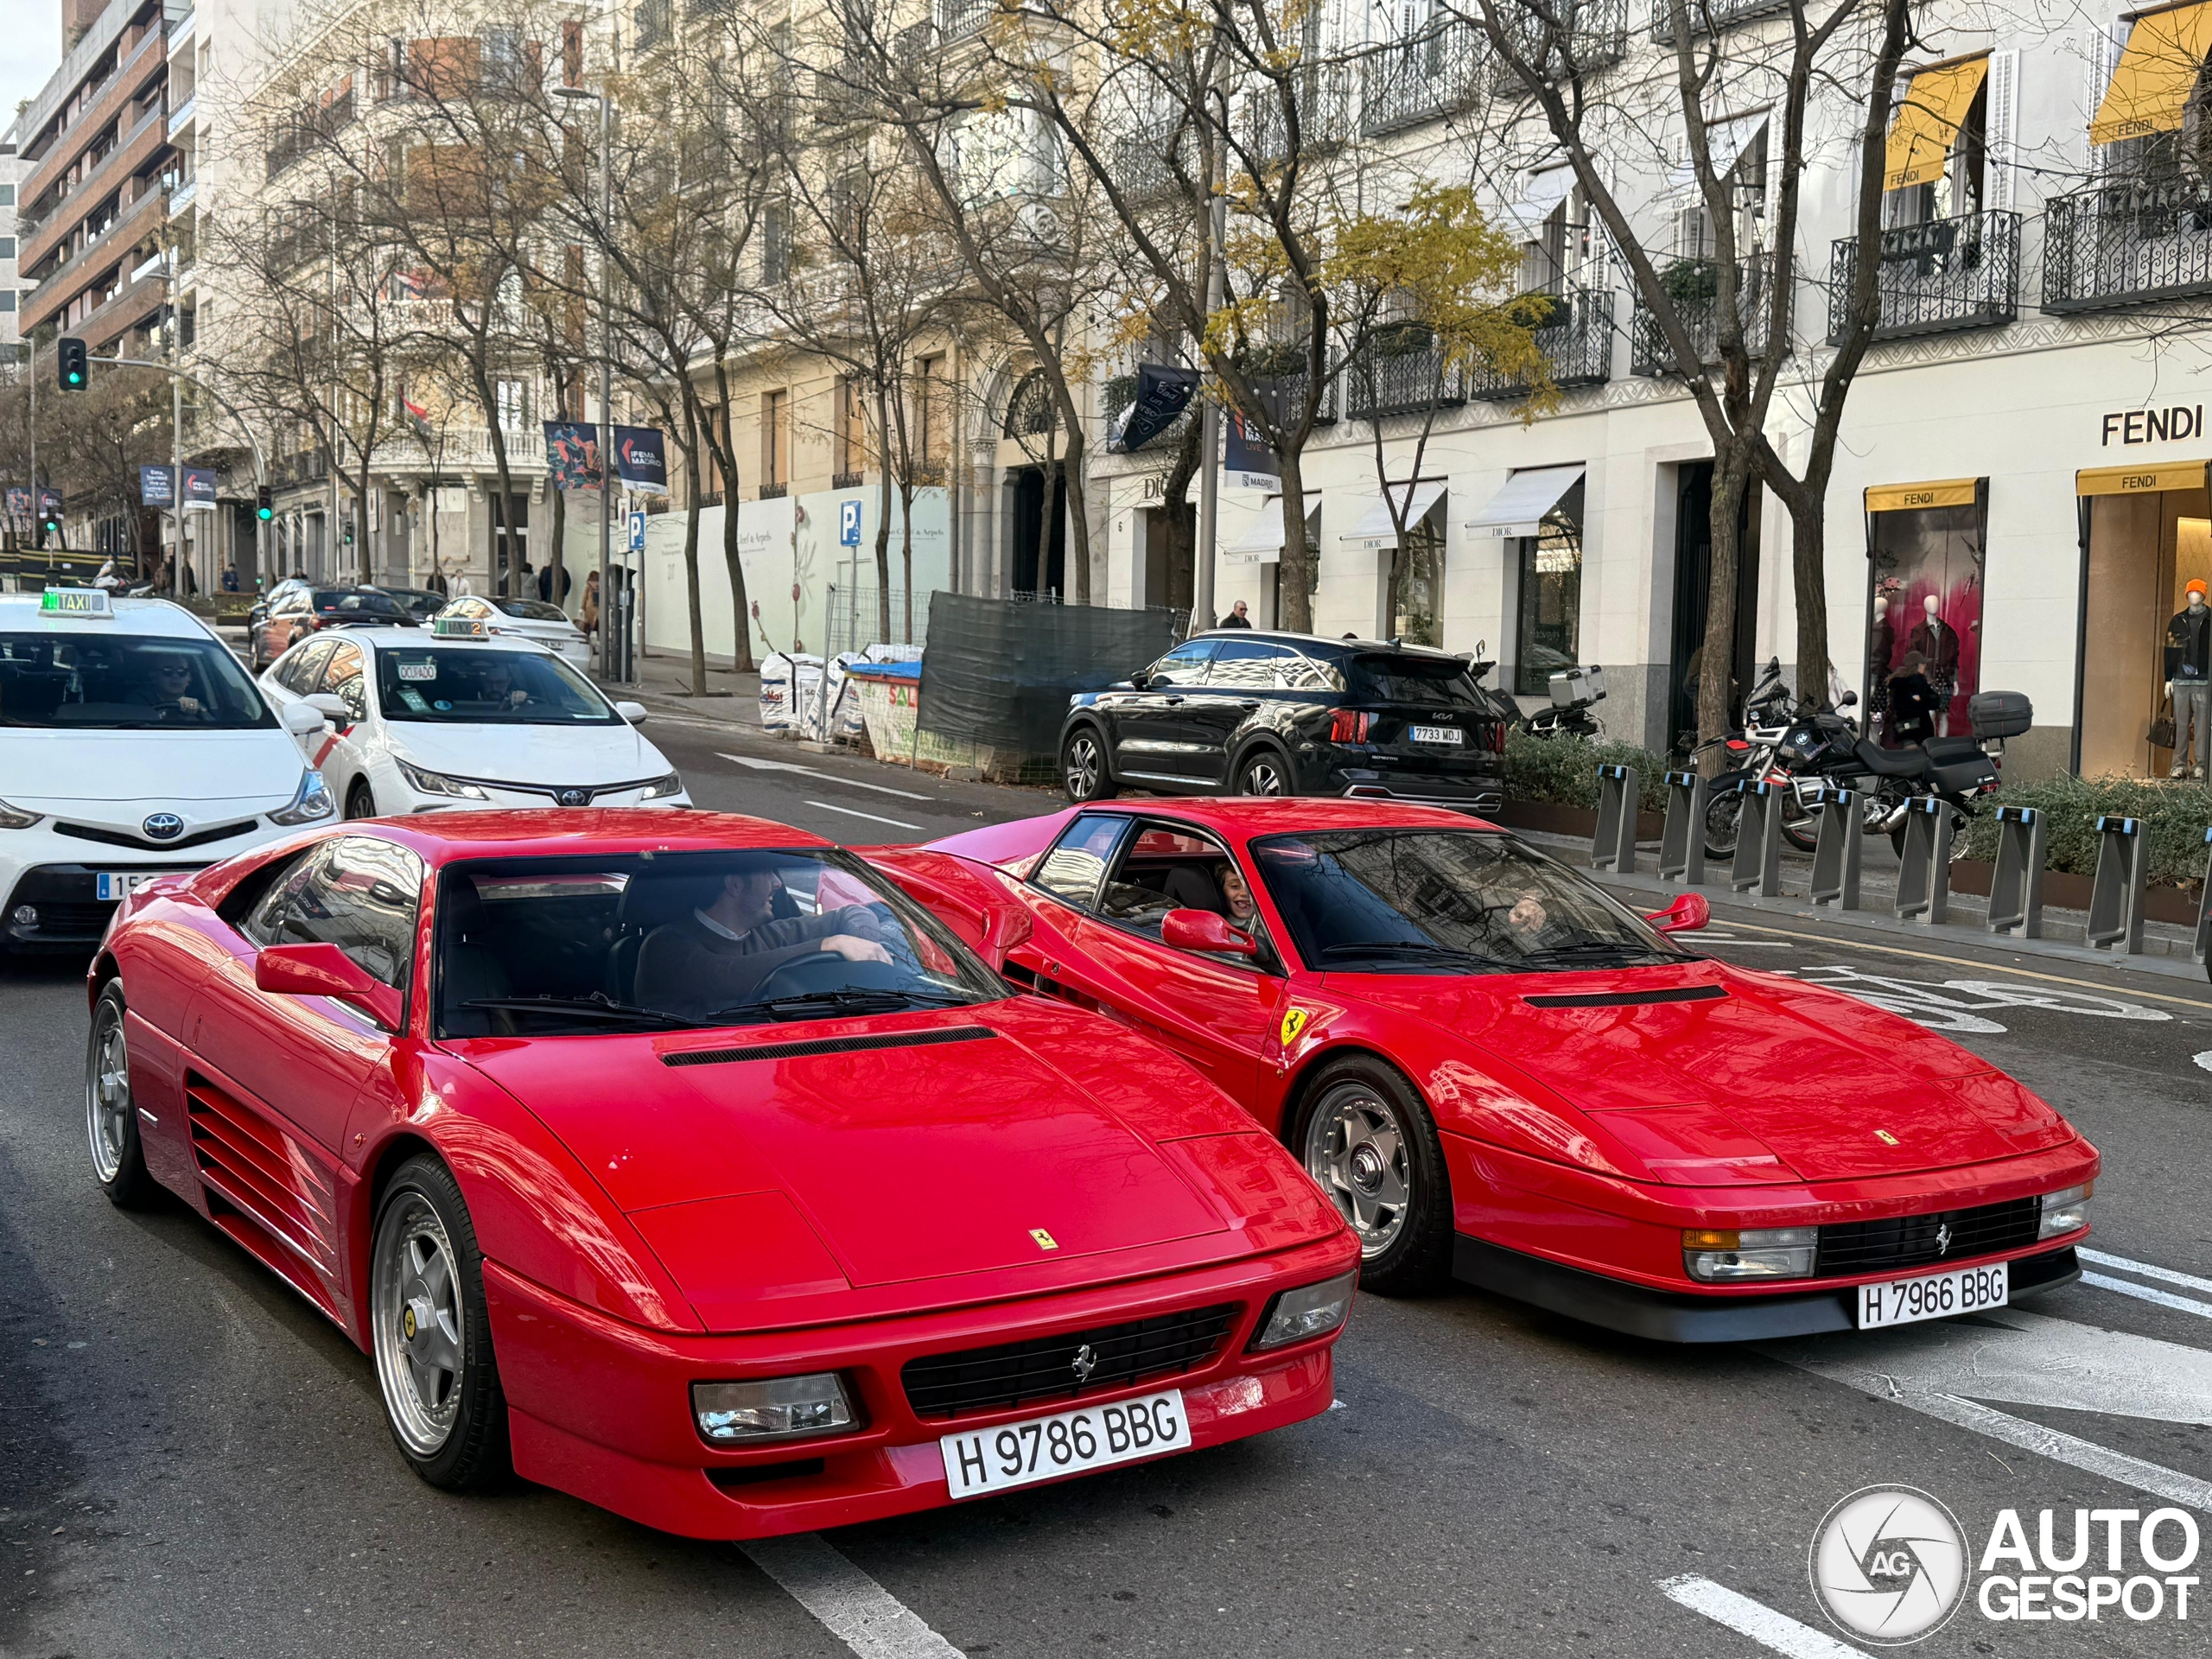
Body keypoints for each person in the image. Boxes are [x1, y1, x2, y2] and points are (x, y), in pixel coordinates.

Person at [632, 863, 894, 1020]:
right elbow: (725, 975)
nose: (778, 882)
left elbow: (855, 914)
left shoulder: (765, 934)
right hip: (684, 1072)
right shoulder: (664, 946)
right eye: (767, 872)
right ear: (735, 885)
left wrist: (860, 955)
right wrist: (827, 945)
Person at [1886, 651, 1942, 746]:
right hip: (1919, 729)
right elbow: (1934, 702)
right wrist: (1924, 699)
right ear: (1917, 665)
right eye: (1923, 664)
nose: (1925, 666)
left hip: (1903, 726)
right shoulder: (1918, 682)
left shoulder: (1898, 683)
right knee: (1916, 756)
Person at [581, 569, 601, 643]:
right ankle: (600, 641)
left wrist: (582, 608)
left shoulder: (588, 586)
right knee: (600, 626)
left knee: (587, 627)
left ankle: (585, 641)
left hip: (589, 609)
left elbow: (584, 597)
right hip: (599, 609)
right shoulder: (601, 586)